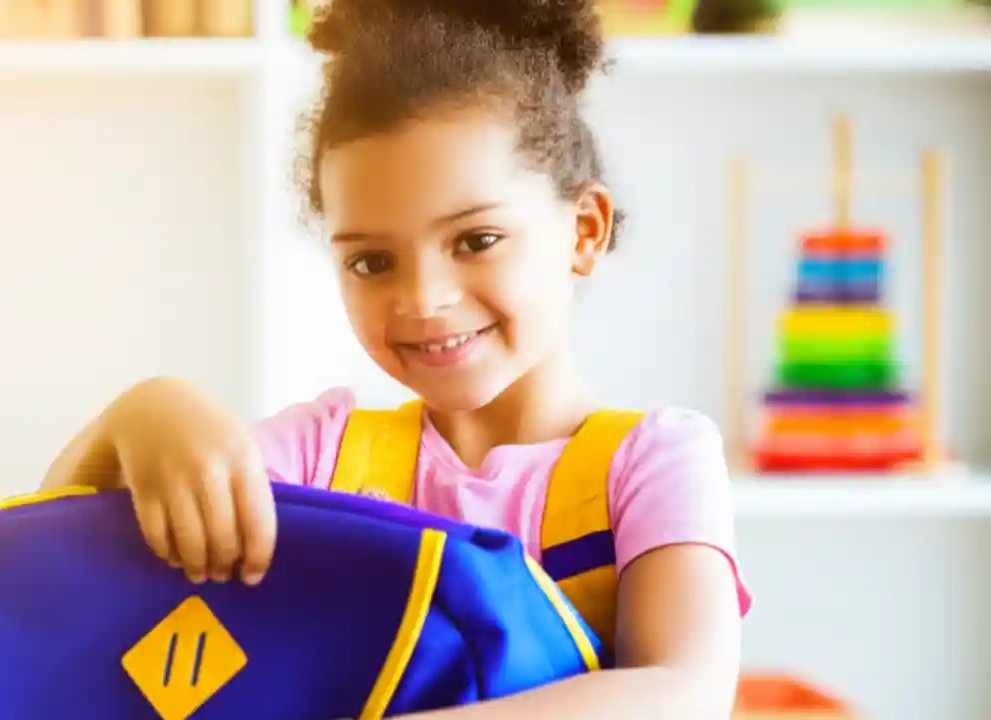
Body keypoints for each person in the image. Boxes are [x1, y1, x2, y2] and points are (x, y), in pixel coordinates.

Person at [42, 0, 752, 716]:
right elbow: (60, 579)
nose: (423, 298)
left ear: (584, 230)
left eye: (475, 241)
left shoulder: (650, 461)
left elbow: (683, 693)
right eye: (373, 260)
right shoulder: (321, 457)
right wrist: (139, 415)